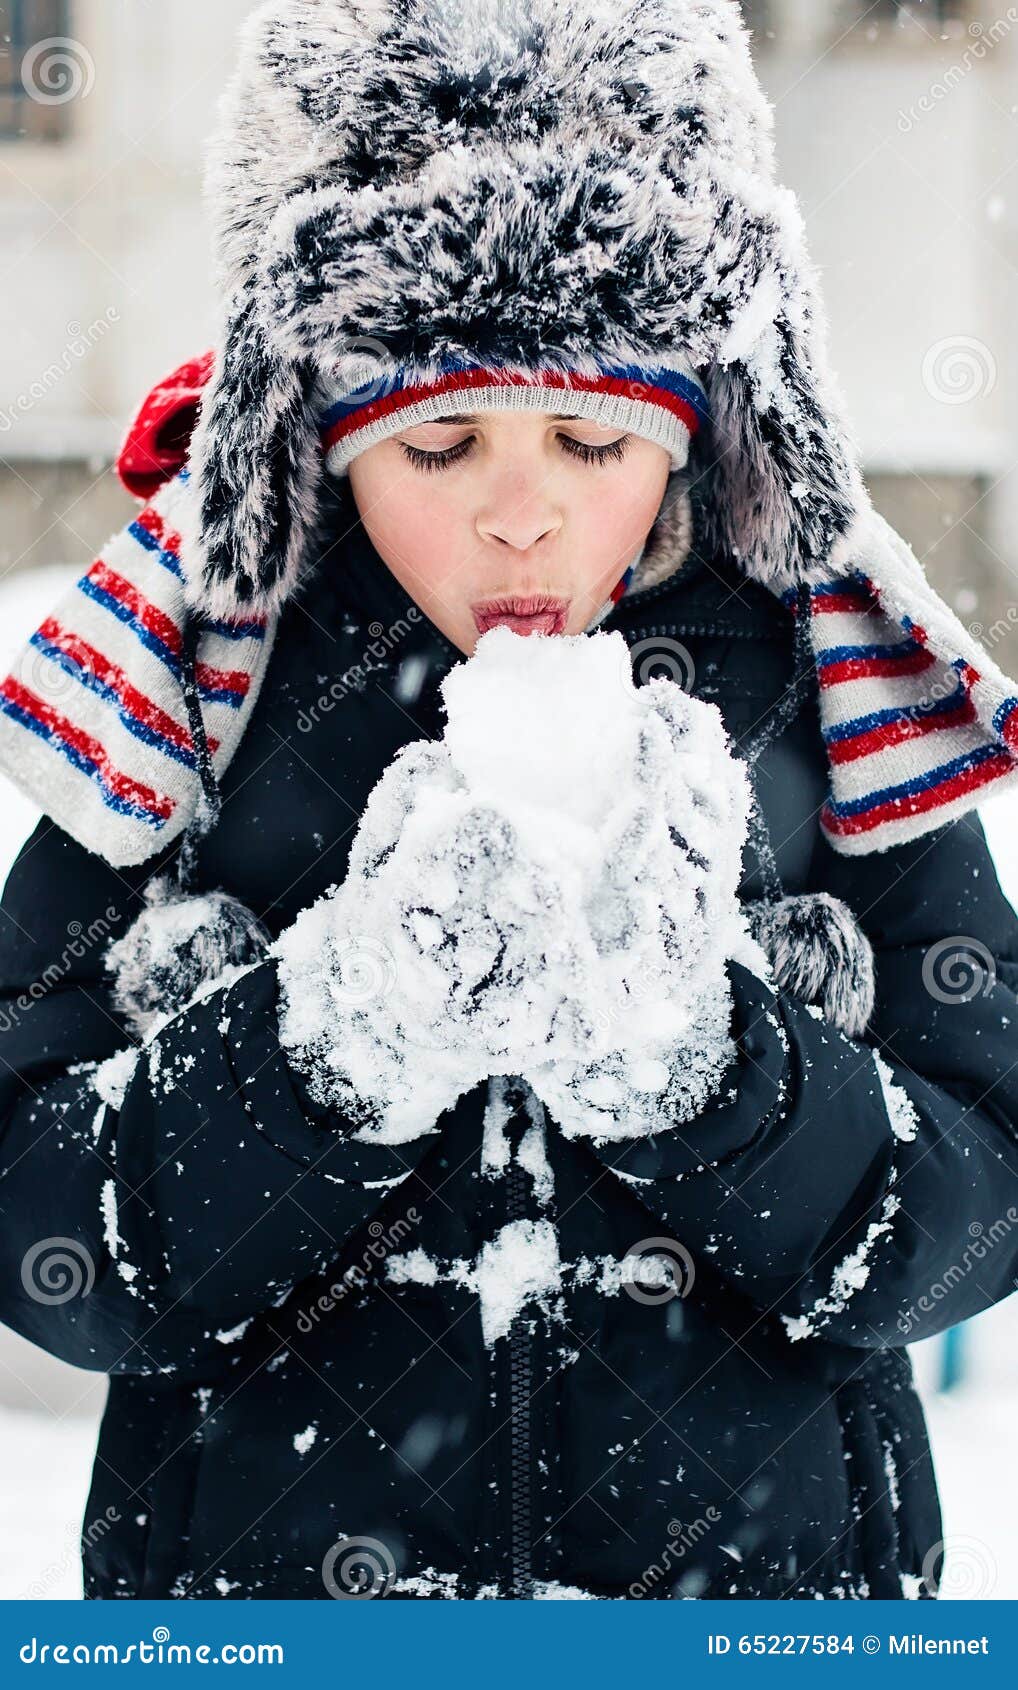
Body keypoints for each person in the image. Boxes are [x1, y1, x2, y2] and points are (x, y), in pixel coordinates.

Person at [0, 0, 1017, 1603]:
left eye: (591, 435)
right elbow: (40, 1227)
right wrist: (326, 1042)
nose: (523, 513)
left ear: (698, 424)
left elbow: (982, 1199)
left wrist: (713, 1074)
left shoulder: (828, 698)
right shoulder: (189, 705)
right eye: (441, 443)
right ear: (318, 435)